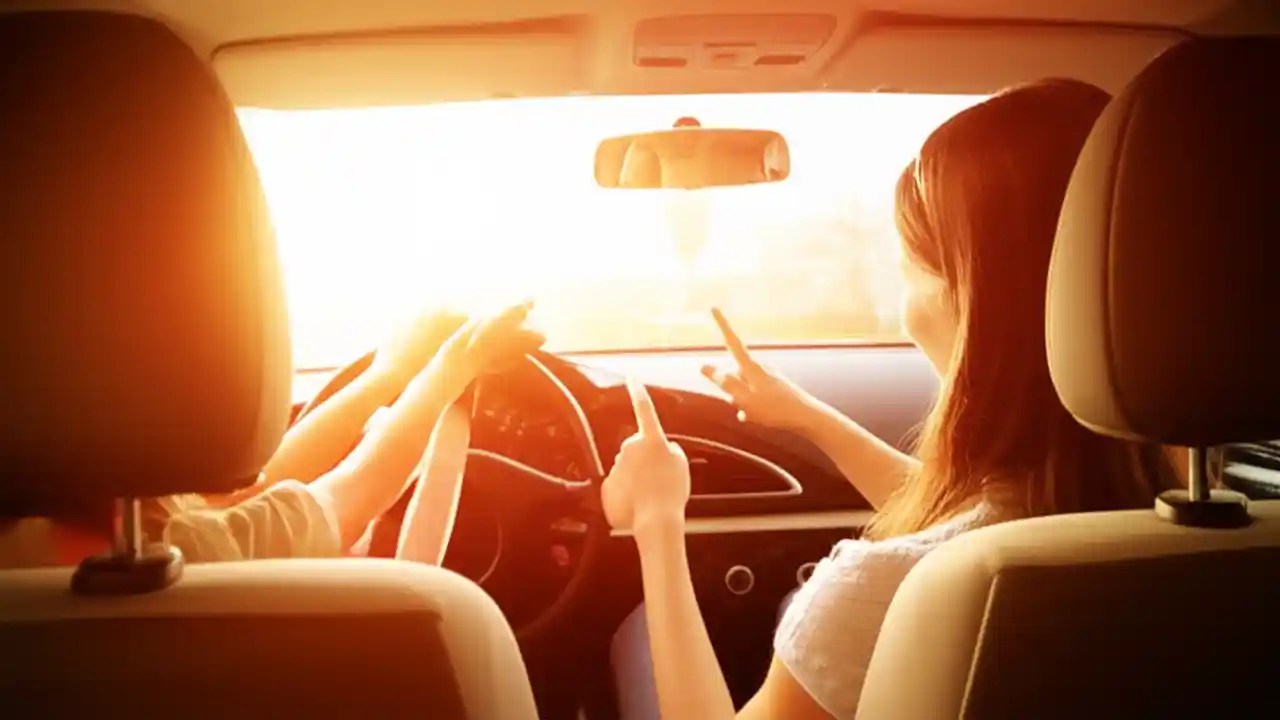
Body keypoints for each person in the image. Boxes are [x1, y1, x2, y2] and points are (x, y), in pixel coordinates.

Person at [601, 78, 1184, 720]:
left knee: (634, 646)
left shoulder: (877, 594)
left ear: (975, 303)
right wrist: (805, 418)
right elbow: (970, 533)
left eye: (908, 267)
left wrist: (657, 523)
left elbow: (957, 547)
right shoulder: (1198, 542)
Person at [0, 301, 543, 567]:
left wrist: (391, 376)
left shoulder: (31, 549)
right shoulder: (167, 560)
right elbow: (357, 490)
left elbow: (249, 490)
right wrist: (453, 369)